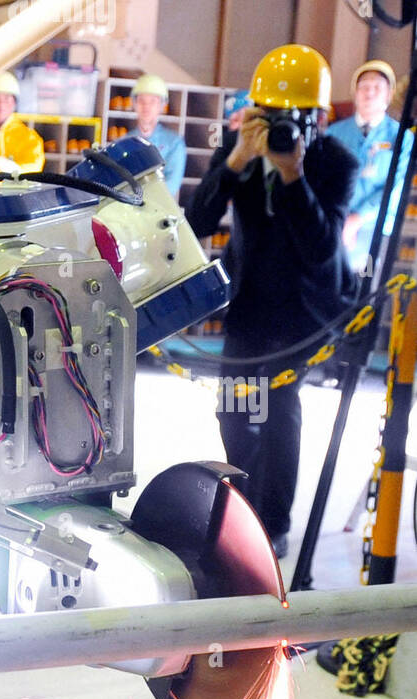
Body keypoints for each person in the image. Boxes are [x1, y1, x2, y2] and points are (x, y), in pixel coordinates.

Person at [185, 44, 358, 559]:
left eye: (294, 117)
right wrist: (234, 164)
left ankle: (274, 524)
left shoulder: (335, 163)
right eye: (269, 115)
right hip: (252, 304)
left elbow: (321, 249)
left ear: (320, 118)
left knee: (279, 408)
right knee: (236, 412)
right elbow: (195, 224)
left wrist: (292, 176)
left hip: (307, 309)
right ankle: (245, 508)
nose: (281, 128)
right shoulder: (239, 150)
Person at [327, 59, 413, 273]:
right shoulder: (333, 133)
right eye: (364, 86)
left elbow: (396, 184)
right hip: (336, 224)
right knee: (334, 291)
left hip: (376, 226)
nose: (370, 92)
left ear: (389, 95)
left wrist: (358, 219)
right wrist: (341, 218)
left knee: (369, 292)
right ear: (355, 93)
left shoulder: (401, 136)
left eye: (377, 87)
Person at [129, 75, 184, 197]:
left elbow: (172, 183)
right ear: (134, 104)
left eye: (153, 101)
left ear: (162, 105)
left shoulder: (174, 143)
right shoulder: (125, 141)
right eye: (141, 101)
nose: (146, 106)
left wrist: (143, 199)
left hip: (160, 210)